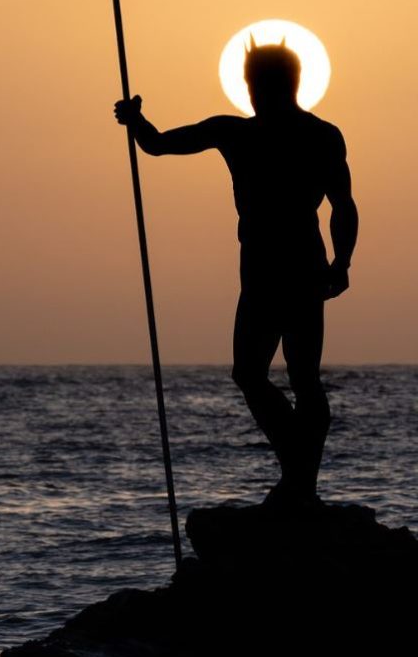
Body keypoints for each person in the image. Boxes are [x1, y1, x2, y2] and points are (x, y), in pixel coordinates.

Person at [114, 38, 358, 506]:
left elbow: (343, 204)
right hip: (274, 269)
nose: (251, 91)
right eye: (249, 83)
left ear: (280, 83)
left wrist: (342, 261)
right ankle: (298, 472)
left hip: (292, 267)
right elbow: (159, 144)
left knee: (296, 377)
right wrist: (136, 120)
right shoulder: (240, 133)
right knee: (255, 374)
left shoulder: (310, 135)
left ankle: (298, 476)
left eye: (256, 83)